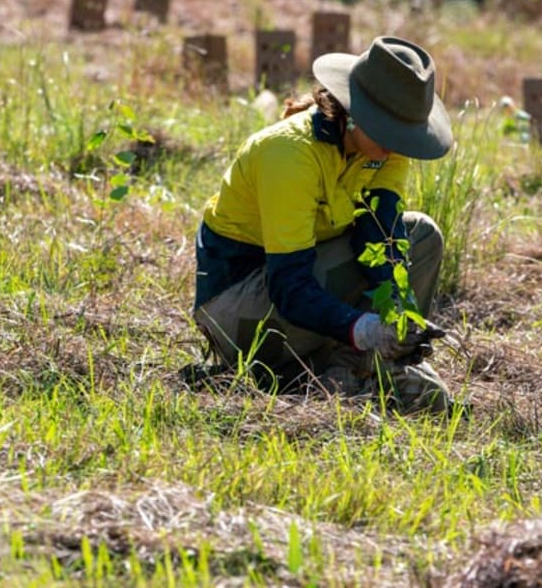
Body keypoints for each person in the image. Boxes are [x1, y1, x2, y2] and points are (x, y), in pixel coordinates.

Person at [193, 35, 454, 412]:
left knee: (421, 235)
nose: (398, 145)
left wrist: (400, 315)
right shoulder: (289, 155)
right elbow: (289, 285)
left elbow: (380, 236)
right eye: (389, 130)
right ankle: (334, 371)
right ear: (353, 113)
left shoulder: (384, 151)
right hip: (240, 307)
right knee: (392, 388)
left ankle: (350, 371)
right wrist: (364, 330)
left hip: (302, 293)